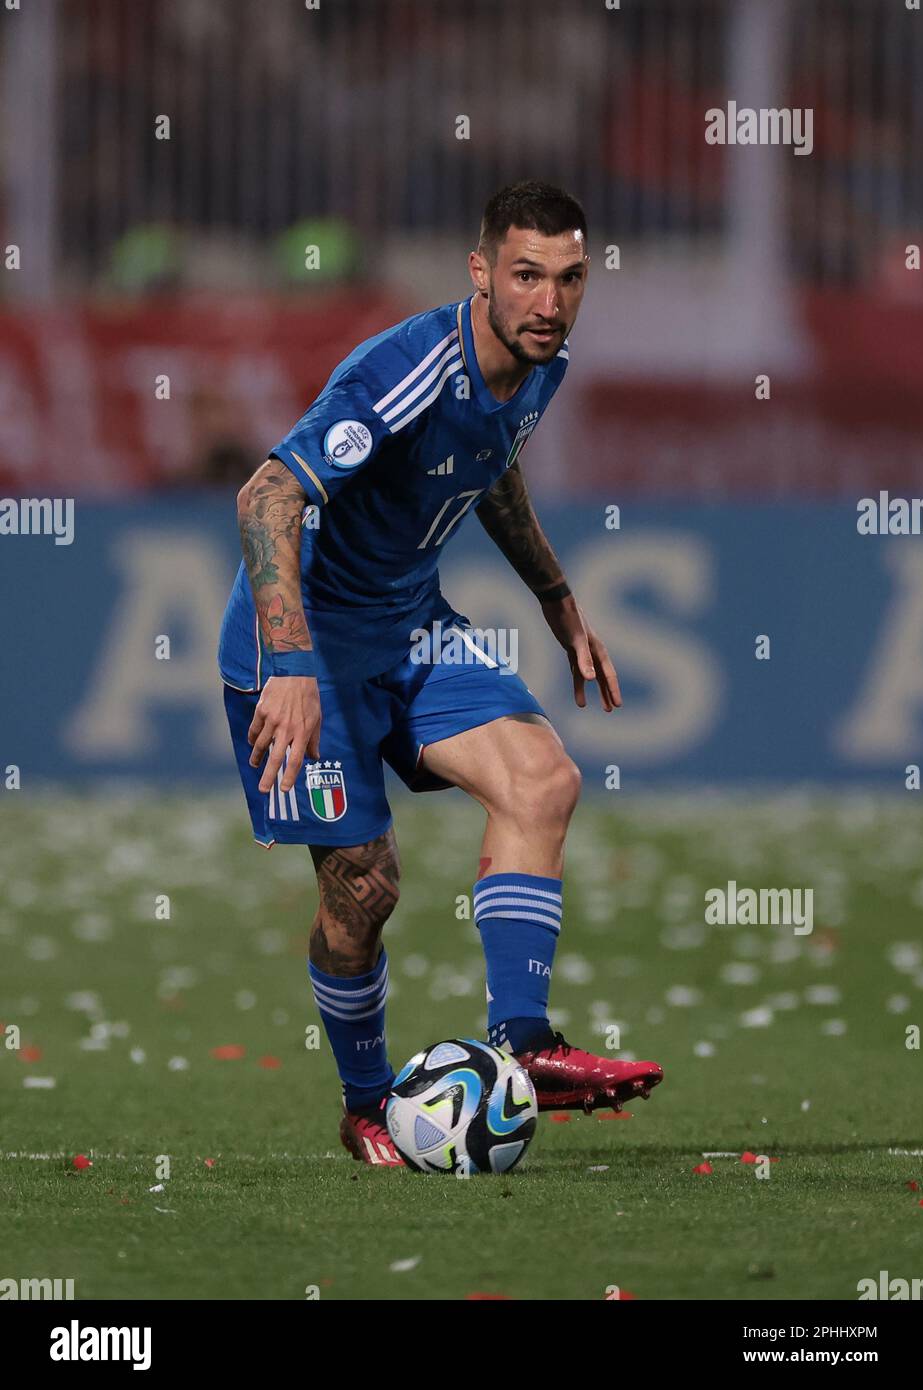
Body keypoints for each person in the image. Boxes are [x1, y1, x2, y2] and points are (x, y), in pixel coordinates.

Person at [218, 181, 663, 1166]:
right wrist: (288, 663)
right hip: (306, 648)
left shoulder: (539, 367)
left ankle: (525, 1043)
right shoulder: (408, 368)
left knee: (543, 780)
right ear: (480, 273)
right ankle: (366, 1104)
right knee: (365, 889)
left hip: (410, 627)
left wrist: (556, 598)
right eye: (526, 276)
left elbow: (491, 463)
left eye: (570, 279)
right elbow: (266, 497)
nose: (549, 302)